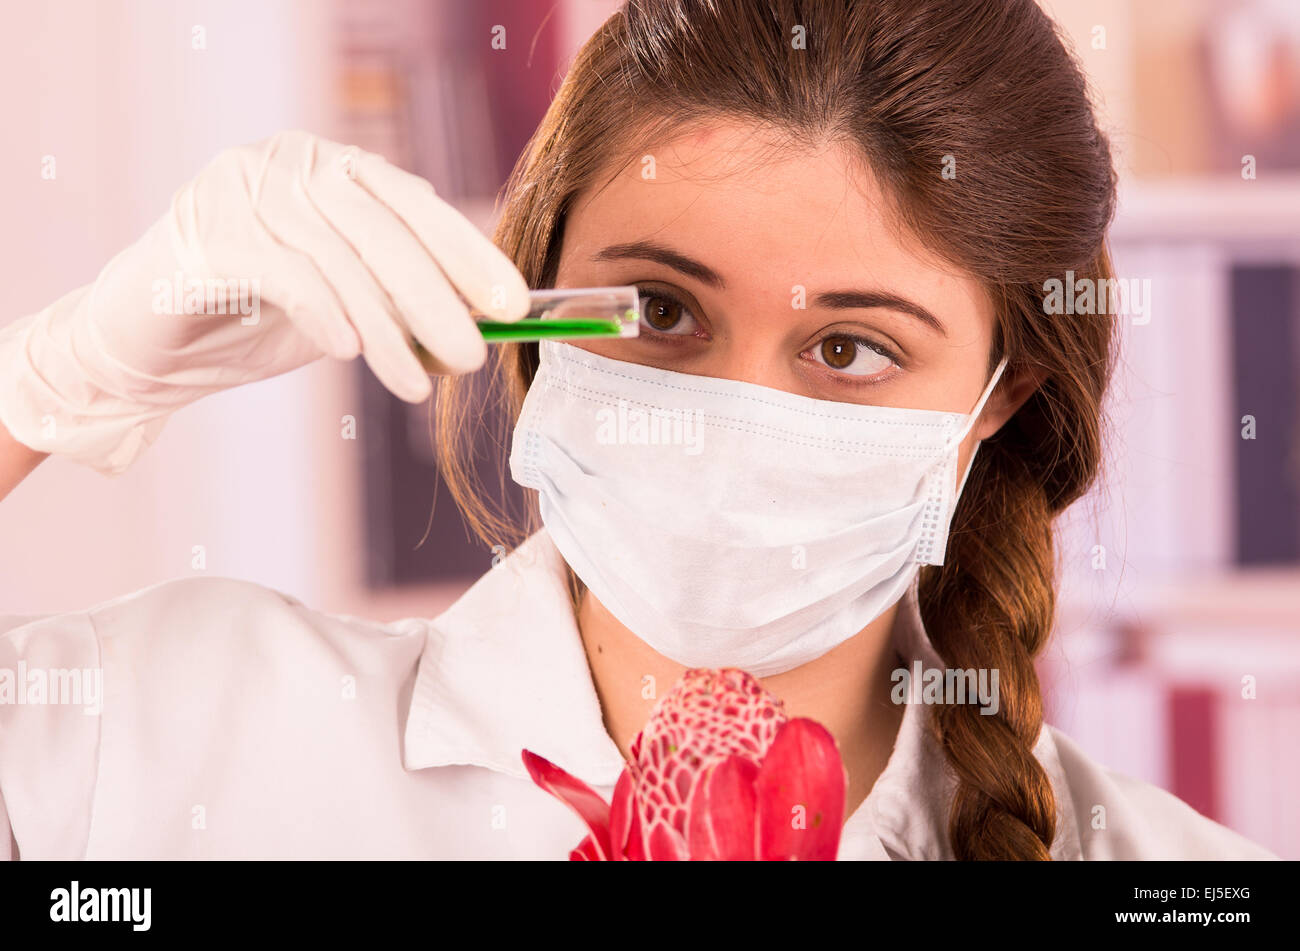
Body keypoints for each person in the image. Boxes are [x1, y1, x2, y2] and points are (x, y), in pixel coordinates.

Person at [0, 0, 1277, 860]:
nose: (735, 418)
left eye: (849, 348)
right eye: (659, 309)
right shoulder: (170, 729)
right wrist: (46, 384)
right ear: (527, 290)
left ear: (1000, 394)